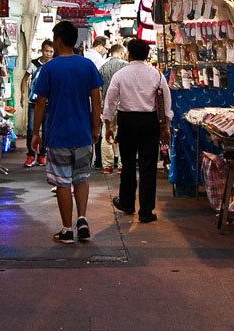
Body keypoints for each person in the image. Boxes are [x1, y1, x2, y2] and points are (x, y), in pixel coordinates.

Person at [32, 20, 104, 244]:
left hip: (58, 134)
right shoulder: (87, 66)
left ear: (59, 40)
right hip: (83, 133)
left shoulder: (49, 68)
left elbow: (41, 104)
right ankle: (82, 219)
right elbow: (96, 99)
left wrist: (36, 133)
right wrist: (95, 127)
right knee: (81, 178)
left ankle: (66, 229)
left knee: (62, 182)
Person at [103, 39, 172, 223]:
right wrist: (166, 125)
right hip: (149, 122)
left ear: (129, 54)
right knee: (148, 167)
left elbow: (109, 100)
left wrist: (108, 125)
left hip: (127, 122)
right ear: (147, 54)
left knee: (128, 165)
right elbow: (165, 99)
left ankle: (127, 202)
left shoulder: (121, 75)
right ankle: (146, 211)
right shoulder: (156, 74)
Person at [21, 39, 54, 167]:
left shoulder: (54, 65)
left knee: (46, 129)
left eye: (51, 51)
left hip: (48, 102)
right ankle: (30, 154)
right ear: (42, 50)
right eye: (46, 51)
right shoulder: (34, 64)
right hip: (33, 101)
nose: (48, 54)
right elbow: (25, 79)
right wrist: (23, 95)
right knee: (31, 128)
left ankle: (42, 155)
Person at [99, 44, 129, 174]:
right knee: (123, 134)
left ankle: (107, 166)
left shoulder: (103, 67)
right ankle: (122, 165)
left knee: (107, 134)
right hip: (123, 105)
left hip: (107, 104)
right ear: (121, 53)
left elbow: (99, 89)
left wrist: (101, 105)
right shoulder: (126, 66)